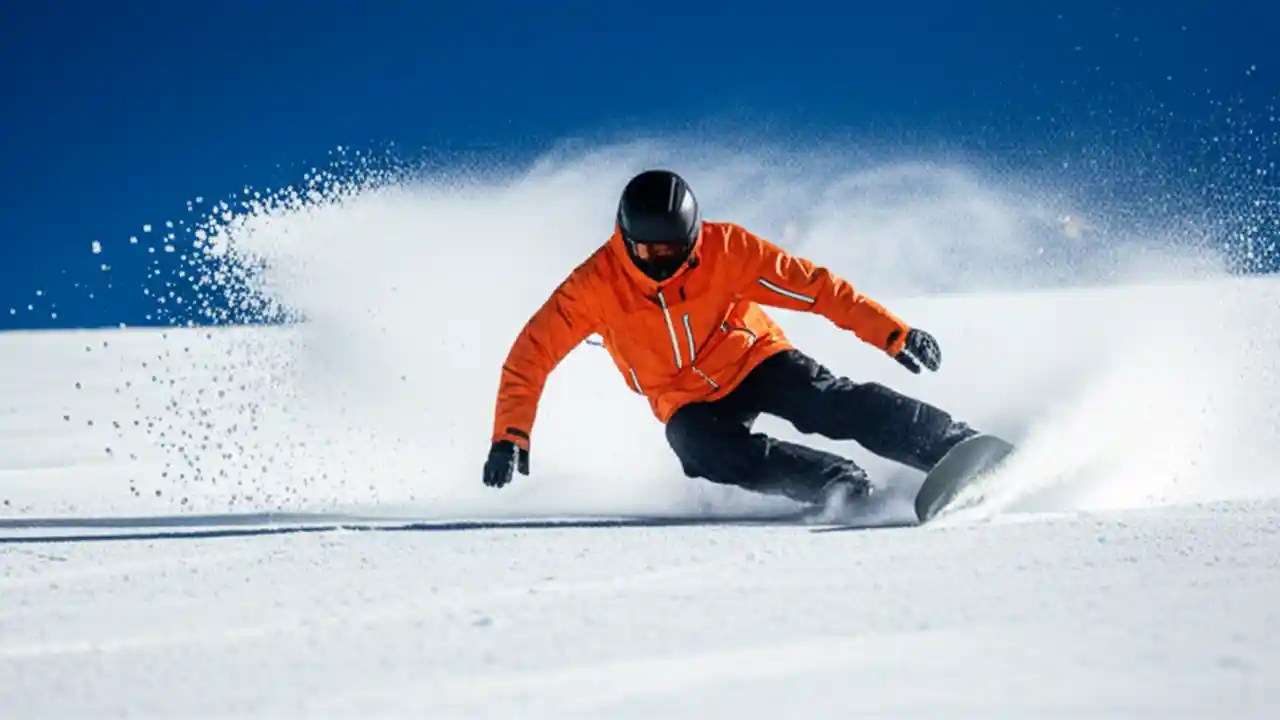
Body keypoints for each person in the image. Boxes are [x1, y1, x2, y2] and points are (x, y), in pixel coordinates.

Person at [482, 169, 978, 507]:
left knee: (825, 403)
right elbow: (532, 354)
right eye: (649, 252)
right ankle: (838, 485)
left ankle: (952, 445)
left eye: (674, 250)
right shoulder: (593, 286)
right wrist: (510, 435)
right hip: (683, 396)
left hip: (752, 357)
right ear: (625, 241)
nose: (662, 264)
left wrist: (892, 332)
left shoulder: (727, 250)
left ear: (693, 236)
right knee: (700, 451)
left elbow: (815, 289)